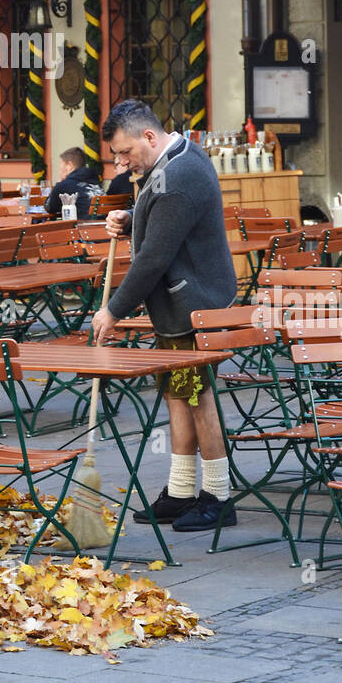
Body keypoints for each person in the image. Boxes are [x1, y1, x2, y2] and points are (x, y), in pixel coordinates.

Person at [91, 99, 238, 532]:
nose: (121, 163)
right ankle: (179, 491)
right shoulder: (175, 158)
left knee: (197, 396)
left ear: (149, 137)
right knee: (178, 394)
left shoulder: (178, 175)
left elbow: (154, 257)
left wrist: (112, 310)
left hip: (194, 307)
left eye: (124, 152)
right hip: (183, 302)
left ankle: (218, 497)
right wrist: (132, 216)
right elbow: (163, 219)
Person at [45, 147, 102, 219]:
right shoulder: (95, 180)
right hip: (107, 225)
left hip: (86, 227)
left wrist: (58, 183)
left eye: (61, 165)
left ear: (69, 166)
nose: (60, 171)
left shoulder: (65, 185)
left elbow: (49, 207)